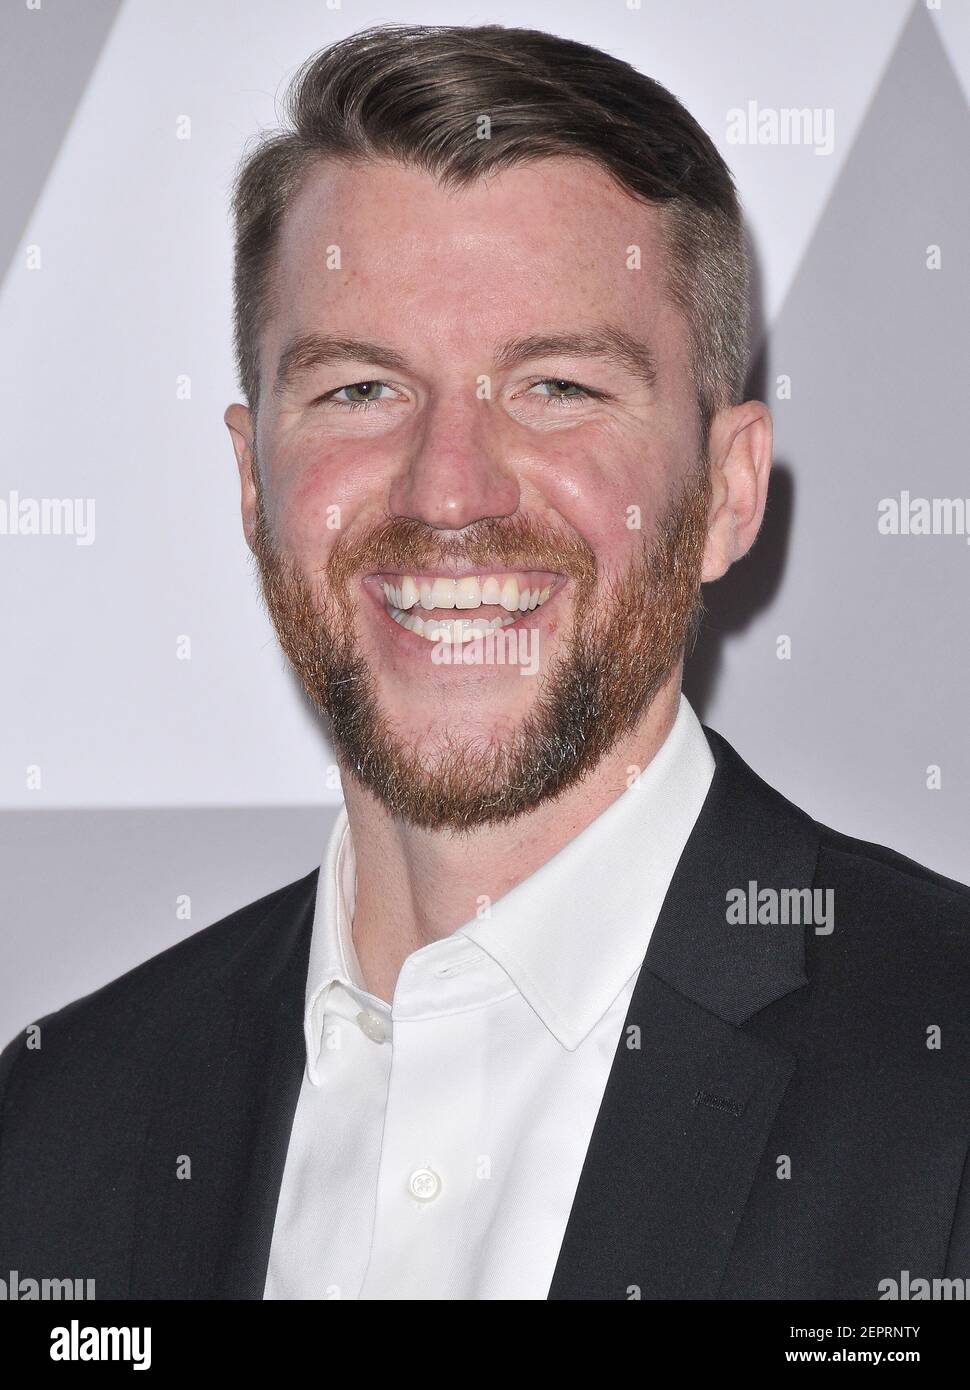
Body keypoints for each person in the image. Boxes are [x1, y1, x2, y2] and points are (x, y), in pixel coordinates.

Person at [2, 23, 968, 1302]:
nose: (450, 491)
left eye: (557, 385)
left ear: (729, 493)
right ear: (251, 480)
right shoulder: (54, 1129)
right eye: (359, 389)